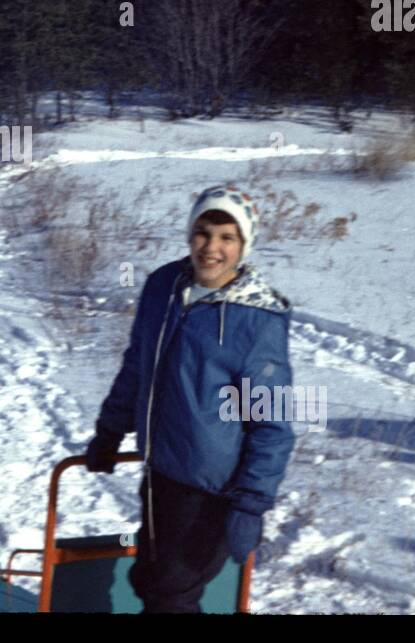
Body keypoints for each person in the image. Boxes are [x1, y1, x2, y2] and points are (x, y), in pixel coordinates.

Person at [85, 184, 295, 613]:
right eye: (203, 232)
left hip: (208, 490)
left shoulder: (255, 320)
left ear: (244, 246)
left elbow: (271, 423)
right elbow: (136, 366)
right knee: (150, 581)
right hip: (160, 472)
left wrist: (252, 501)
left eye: (227, 237)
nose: (212, 248)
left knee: (171, 596)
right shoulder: (163, 286)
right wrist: (109, 430)